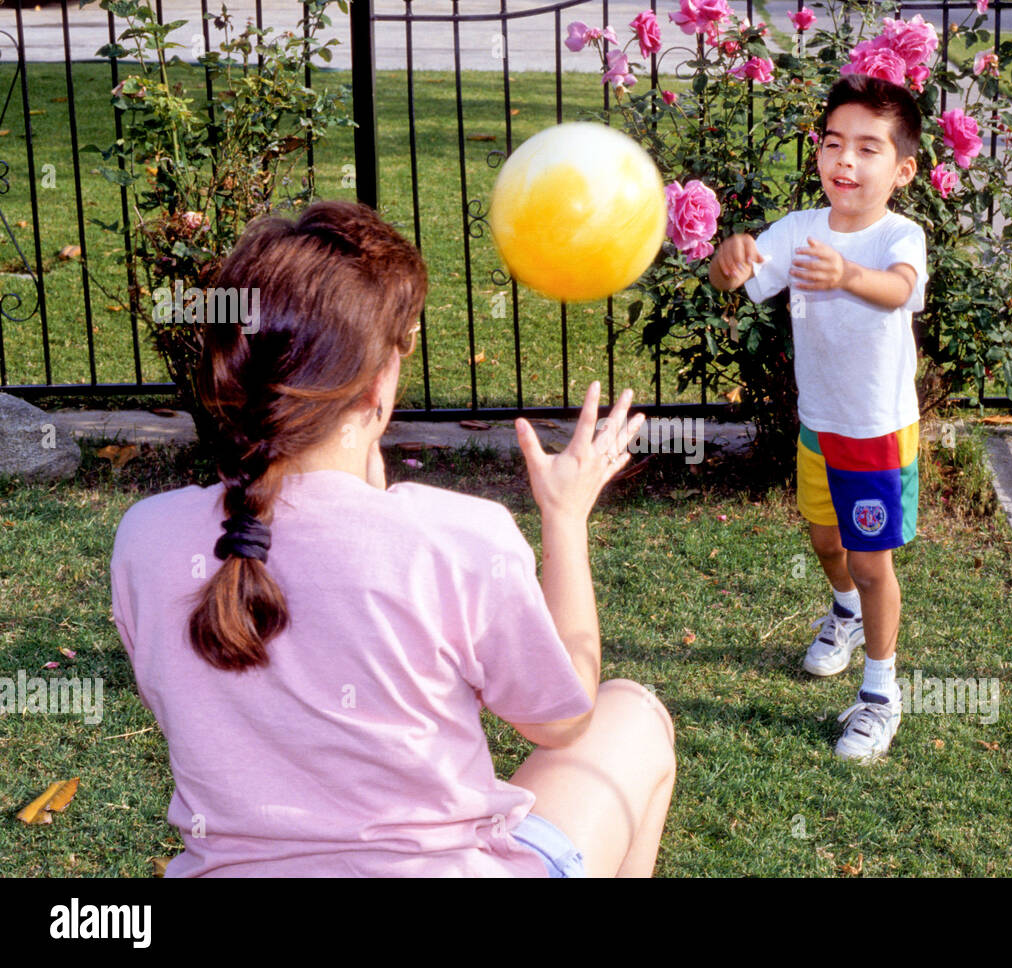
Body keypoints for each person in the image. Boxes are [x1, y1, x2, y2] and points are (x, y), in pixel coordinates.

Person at [109, 200, 676, 876]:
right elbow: (564, 719)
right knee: (633, 716)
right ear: (378, 382)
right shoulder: (456, 539)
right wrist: (564, 516)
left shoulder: (146, 537)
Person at [707, 76, 928, 764]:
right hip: (819, 424)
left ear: (902, 170)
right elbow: (739, 278)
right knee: (825, 539)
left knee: (871, 562)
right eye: (835, 144)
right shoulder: (801, 230)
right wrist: (729, 259)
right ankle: (845, 616)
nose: (847, 162)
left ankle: (880, 697)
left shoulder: (901, 234)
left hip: (877, 433)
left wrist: (845, 277)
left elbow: (897, 288)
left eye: (868, 148)